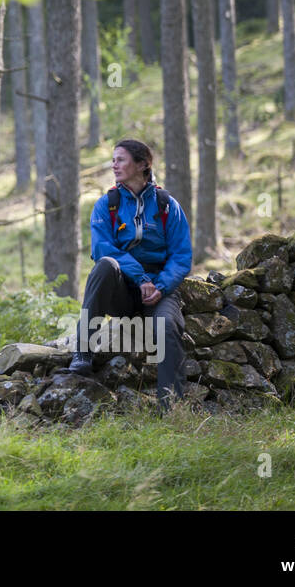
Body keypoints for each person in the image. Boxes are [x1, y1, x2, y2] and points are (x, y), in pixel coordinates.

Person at [69, 138, 193, 411]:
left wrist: (159, 285)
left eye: (120, 159)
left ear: (142, 165)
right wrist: (141, 279)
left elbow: (182, 256)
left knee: (167, 325)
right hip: (123, 288)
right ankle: (82, 353)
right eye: (113, 159)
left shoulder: (167, 205)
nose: (114, 165)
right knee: (105, 265)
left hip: (159, 289)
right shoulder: (106, 205)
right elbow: (101, 248)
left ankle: (170, 406)